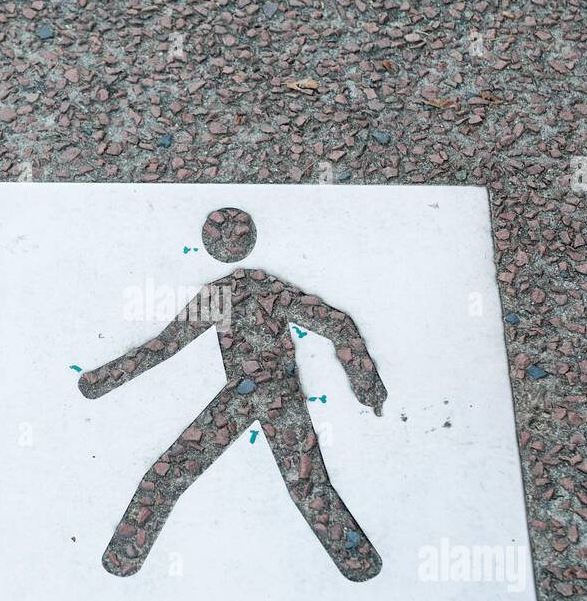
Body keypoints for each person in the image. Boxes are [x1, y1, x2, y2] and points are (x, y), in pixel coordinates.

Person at [79, 207, 387, 581]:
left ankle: (125, 556)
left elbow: (163, 347)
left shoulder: (224, 293)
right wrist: (365, 383)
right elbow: (338, 324)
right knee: (307, 485)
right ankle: (360, 562)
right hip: (268, 395)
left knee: (174, 471)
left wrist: (102, 380)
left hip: (247, 396)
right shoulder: (261, 289)